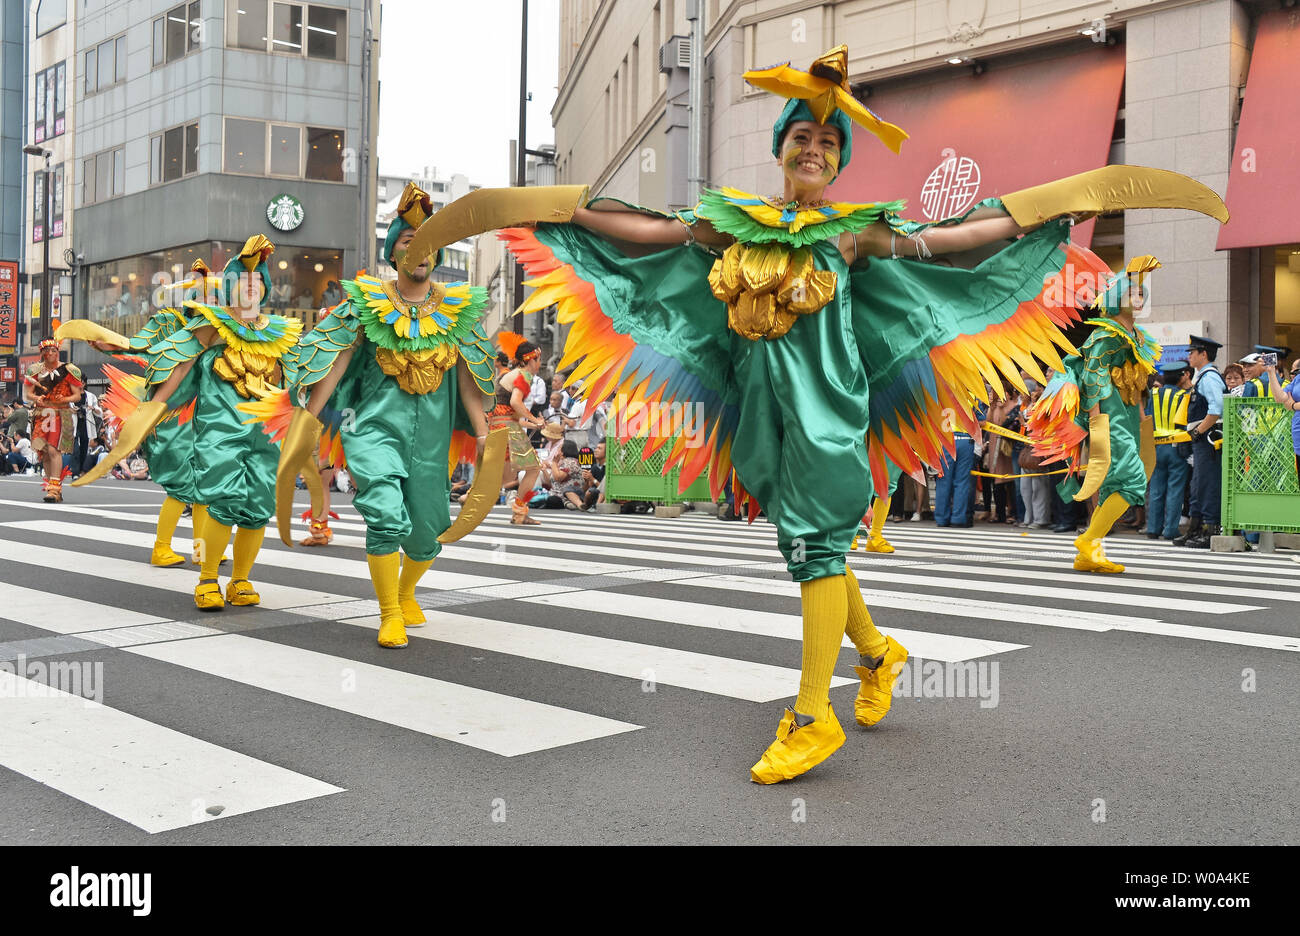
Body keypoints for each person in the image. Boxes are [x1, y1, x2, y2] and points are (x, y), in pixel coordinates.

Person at [488, 44, 1225, 783]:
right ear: (781, 149)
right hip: (762, 414)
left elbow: (950, 243)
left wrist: (1037, 210)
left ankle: (813, 716)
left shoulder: (854, 232)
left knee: (815, 548)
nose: (814, 149)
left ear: (840, 161)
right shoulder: (734, 222)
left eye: (829, 141)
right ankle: (878, 654)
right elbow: (647, 235)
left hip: (831, 411)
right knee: (811, 549)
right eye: (802, 137)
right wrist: (559, 209)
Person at [259, 183, 496, 649]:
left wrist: (485, 434)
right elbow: (335, 361)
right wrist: (307, 419)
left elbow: (471, 380)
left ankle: (406, 591)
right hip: (369, 428)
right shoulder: (366, 304)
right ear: (394, 253)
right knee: (386, 516)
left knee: (429, 532)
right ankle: (388, 612)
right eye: (410, 241)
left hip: (430, 441)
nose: (421, 249)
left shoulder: (456, 310)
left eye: (429, 242)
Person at [73, 236, 303, 610]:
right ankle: (208, 578)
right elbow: (175, 365)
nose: (251, 285)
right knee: (219, 503)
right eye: (243, 280)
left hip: (264, 438)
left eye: (258, 279)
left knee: (258, 508)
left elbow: (296, 385)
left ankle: (241, 580)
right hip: (220, 435)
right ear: (229, 287)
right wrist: (148, 400)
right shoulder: (210, 327)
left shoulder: (281, 333)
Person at [62, 259, 227, 568]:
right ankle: (162, 548)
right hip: (168, 418)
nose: (213, 303)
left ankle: (203, 550)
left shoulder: (219, 335)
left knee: (204, 488)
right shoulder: (170, 323)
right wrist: (106, 343)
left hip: (200, 418)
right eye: (208, 297)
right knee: (182, 488)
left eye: (217, 298)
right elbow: (136, 344)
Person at [1027, 256, 1162, 573]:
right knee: (1132, 483)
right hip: (1109, 417)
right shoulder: (1105, 334)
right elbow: (1092, 376)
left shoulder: (1138, 337)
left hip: (1128, 416)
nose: (1138, 298)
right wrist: (1098, 420)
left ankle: (1089, 552)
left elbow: (1138, 382)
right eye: (1132, 292)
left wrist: (1142, 418)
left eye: (1141, 293)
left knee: (1119, 483)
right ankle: (1088, 540)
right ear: (1117, 298)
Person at [1174, 334, 1227, 548]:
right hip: (1202, 440)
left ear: (1203, 354)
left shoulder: (1210, 377)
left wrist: (1198, 431)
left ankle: (1210, 530)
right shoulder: (1201, 377)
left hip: (1209, 439)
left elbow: (1217, 409)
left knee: (1208, 485)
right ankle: (1195, 529)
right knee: (1197, 486)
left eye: (1192, 352)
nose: (1189, 356)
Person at [492, 332, 547, 526]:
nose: (540, 364)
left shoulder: (510, 375)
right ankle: (519, 512)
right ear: (532, 359)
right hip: (507, 426)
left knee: (505, 475)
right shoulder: (524, 375)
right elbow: (515, 403)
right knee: (533, 469)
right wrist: (534, 418)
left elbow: (509, 411)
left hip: (500, 424)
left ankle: (470, 497)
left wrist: (534, 424)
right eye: (539, 360)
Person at [22, 337, 84, 502]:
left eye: (54, 350)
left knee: (53, 449)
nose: (50, 353)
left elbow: (77, 395)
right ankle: (52, 487)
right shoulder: (34, 370)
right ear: (41, 353)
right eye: (47, 351)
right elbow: (28, 393)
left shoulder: (69, 370)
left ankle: (55, 489)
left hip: (60, 413)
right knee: (44, 453)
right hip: (41, 414)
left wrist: (62, 399)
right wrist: (37, 398)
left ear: (58, 351)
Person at [1145, 361, 1193, 540]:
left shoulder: (1154, 394)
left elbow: (1148, 418)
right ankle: (1170, 530)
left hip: (1157, 446)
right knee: (1175, 490)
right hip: (1177, 447)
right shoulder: (1184, 395)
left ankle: (1153, 528)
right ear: (1181, 377)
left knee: (1156, 488)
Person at [1264, 359, 1300, 478]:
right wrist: (1271, 372)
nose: (1293, 374)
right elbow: (1280, 398)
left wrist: (1294, 406)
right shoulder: (1297, 381)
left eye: (1294, 371)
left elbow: (1290, 404)